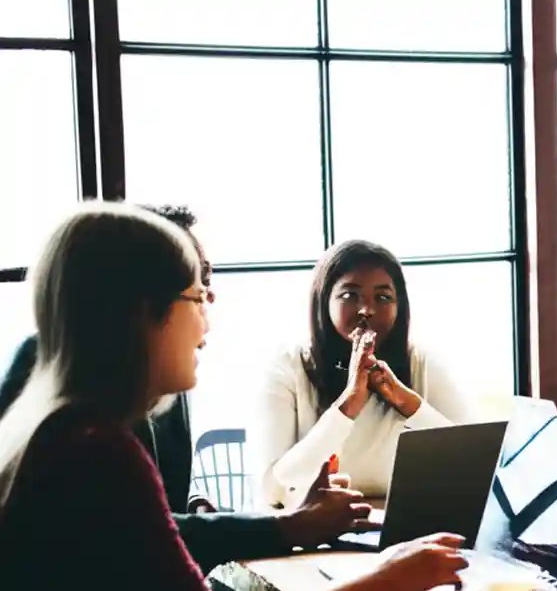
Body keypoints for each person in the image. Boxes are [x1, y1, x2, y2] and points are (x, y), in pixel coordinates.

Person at [0, 202, 468, 591]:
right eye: (198, 295)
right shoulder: (99, 451)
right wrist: (381, 580)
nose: (208, 317)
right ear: (140, 312)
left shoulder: (47, 429)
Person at [0, 205, 363, 572]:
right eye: (196, 284)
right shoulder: (78, 415)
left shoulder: (157, 374)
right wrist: (291, 528)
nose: (208, 298)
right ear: (141, 300)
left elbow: (142, 514)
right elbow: (132, 536)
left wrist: (193, 505)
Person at [252, 240, 452, 511]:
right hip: (311, 536)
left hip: (400, 528)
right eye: (350, 295)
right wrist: (347, 406)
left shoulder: (421, 363)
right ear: (324, 300)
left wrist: (409, 404)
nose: (366, 310)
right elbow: (272, 490)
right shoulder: (288, 366)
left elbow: (473, 465)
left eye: (383, 298)